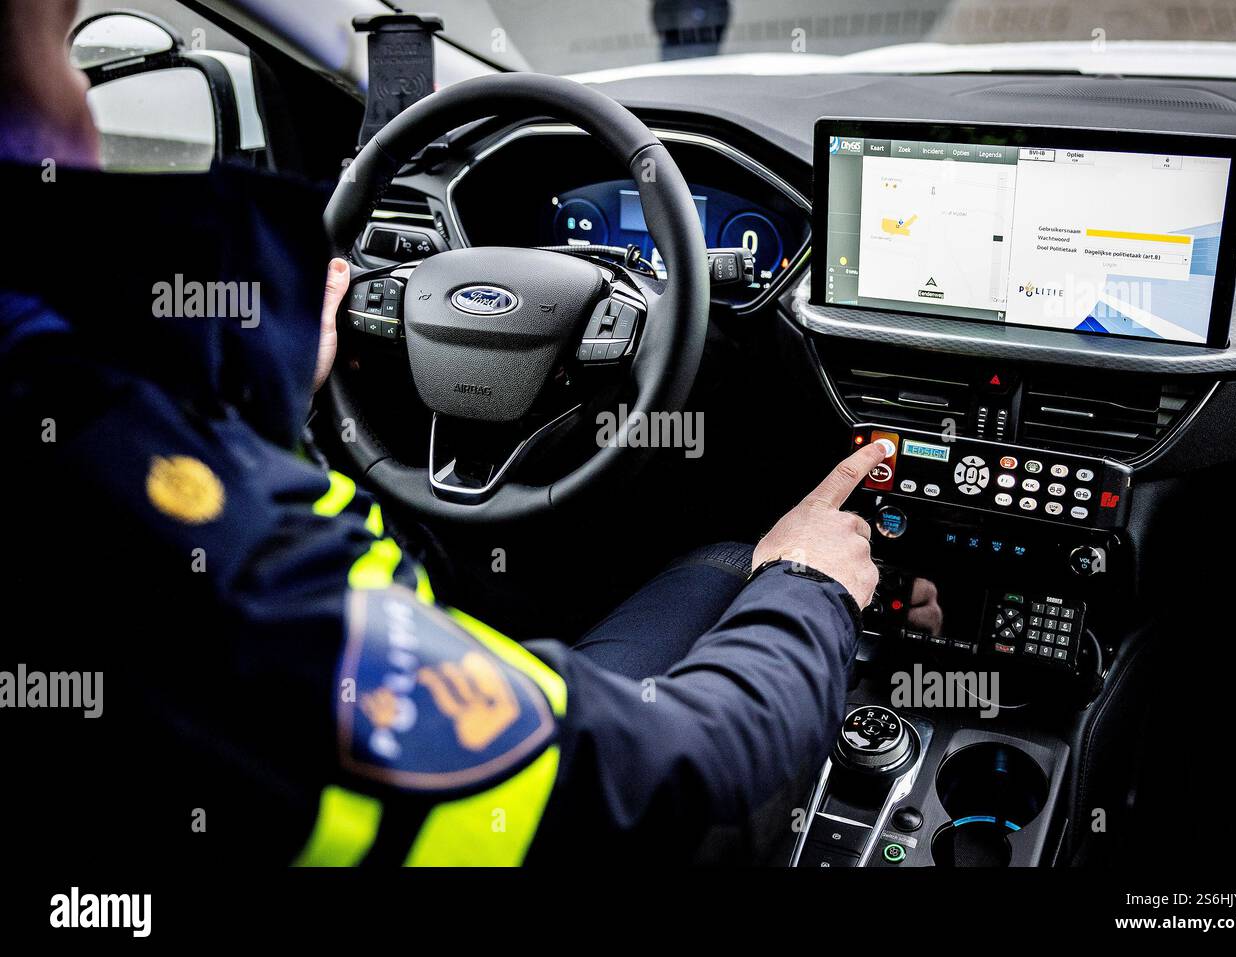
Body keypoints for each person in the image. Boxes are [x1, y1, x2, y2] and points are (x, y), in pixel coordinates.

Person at [0, 0, 884, 865]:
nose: (81, 98)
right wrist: (811, 583)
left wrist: (277, 404)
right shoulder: (221, 577)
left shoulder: (86, 425)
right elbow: (672, 780)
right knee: (734, 562)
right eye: (60, 49)